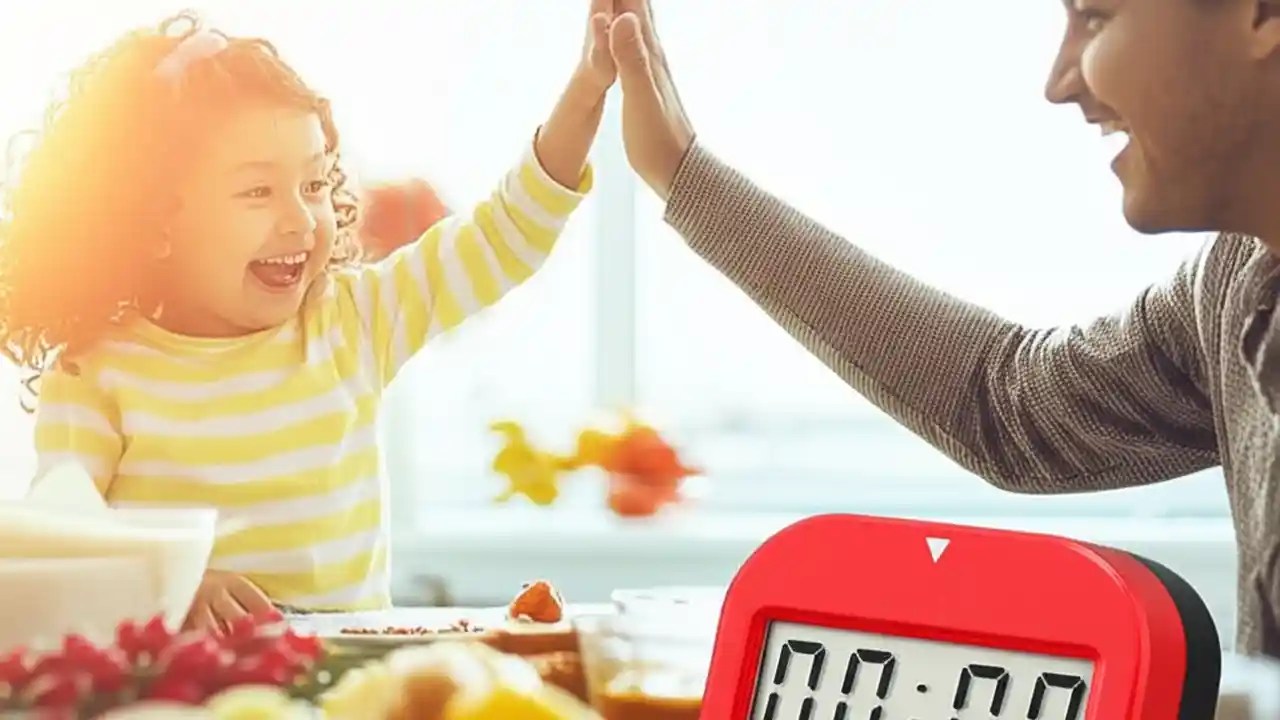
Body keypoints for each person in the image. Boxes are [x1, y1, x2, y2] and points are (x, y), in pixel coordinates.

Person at [603, 0, 1280, 658]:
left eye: (1095, 17)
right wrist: (681, 172)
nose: (1060, 82)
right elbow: (1006, 403)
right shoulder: (1231, 283)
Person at [1, 3, 617, 630]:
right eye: (258, 191)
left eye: (316, 184)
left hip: (349, 679)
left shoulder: (355, 321)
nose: (300, 219)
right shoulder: (97, 373)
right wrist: (173, 584)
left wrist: (588, 87)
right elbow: (60, 544)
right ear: (154, 221)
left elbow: (506, 234)